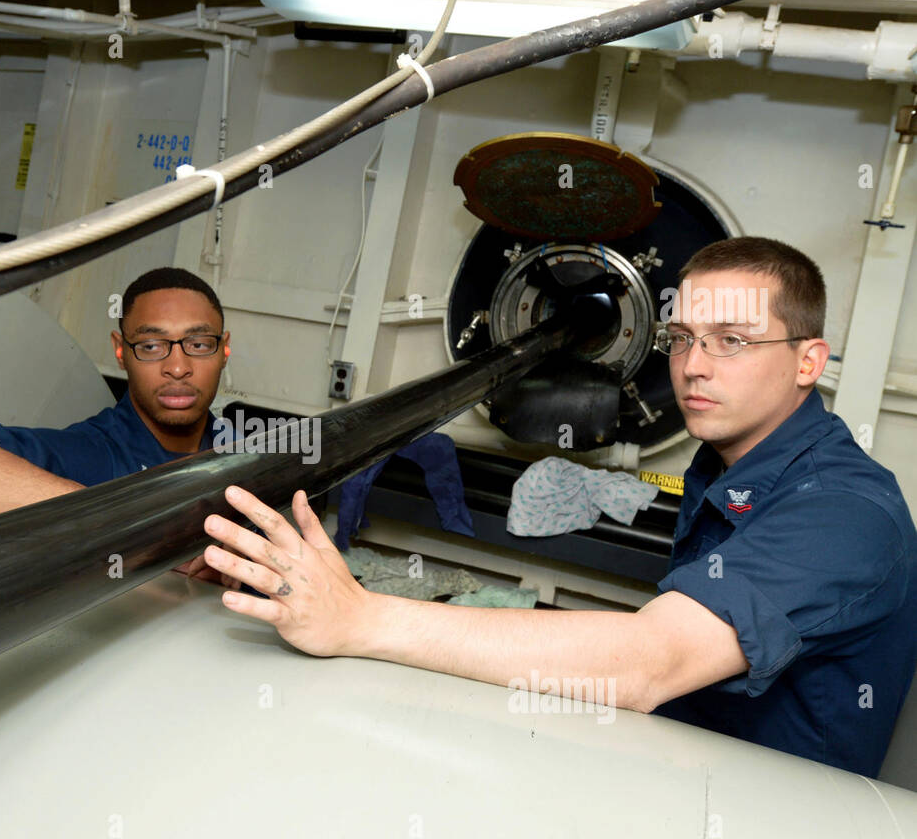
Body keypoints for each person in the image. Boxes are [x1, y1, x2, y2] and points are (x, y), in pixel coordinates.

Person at [198, 237, 917, 778]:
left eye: (732, 342)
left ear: (808, 362)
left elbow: (648, 664)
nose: (694, 366)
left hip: (777, 826)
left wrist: (360, 618)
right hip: (689, 759)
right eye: (683, 339)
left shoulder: (846, 512)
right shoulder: (729, 461)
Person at [0, 266, 234, 581]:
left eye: (199, 344)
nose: (178, 366)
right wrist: (139, 530)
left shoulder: (245, 456)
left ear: (224, 350)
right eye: (152, 346)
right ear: (121, 352)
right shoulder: (89, 454)